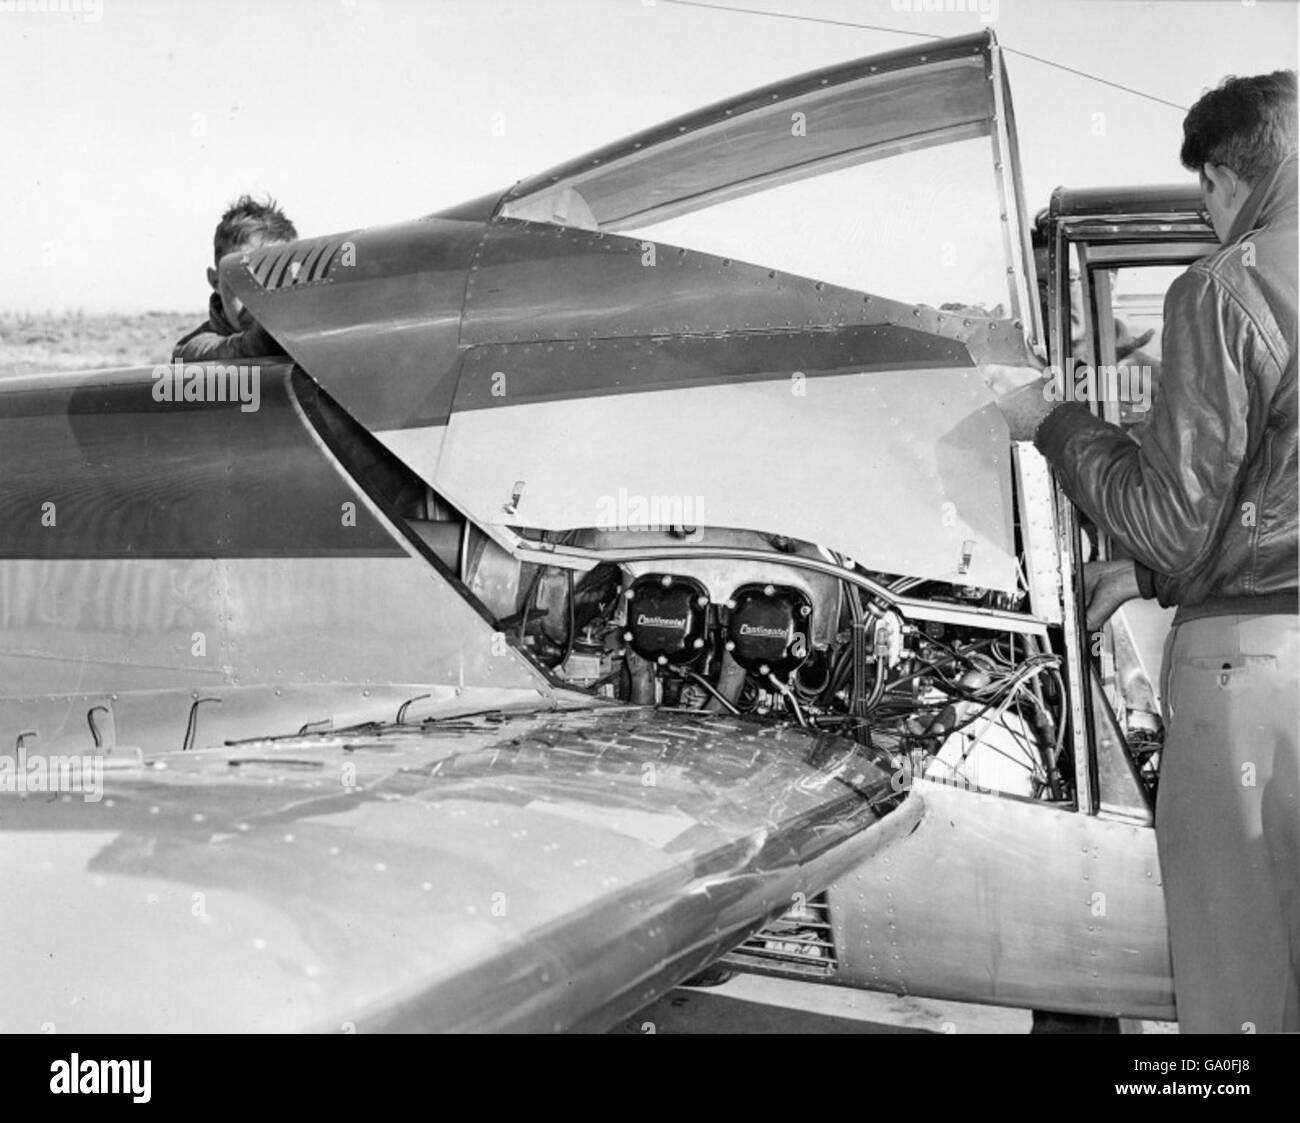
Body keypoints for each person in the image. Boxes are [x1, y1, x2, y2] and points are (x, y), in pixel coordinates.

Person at [991, 71, 1298, 1033]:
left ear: (1220, 176)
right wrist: (1161, 573)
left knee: (1242, 1003)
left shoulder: (1223, 287)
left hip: (1252, 677)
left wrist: (1055, 421)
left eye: (1206, 192)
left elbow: (1169, 517)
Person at [172, 195, 298, 362]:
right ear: (215, 281)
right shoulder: (191, 350)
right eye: (242, 282)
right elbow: (205, 353)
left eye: (273, 281)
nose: (257, 301)